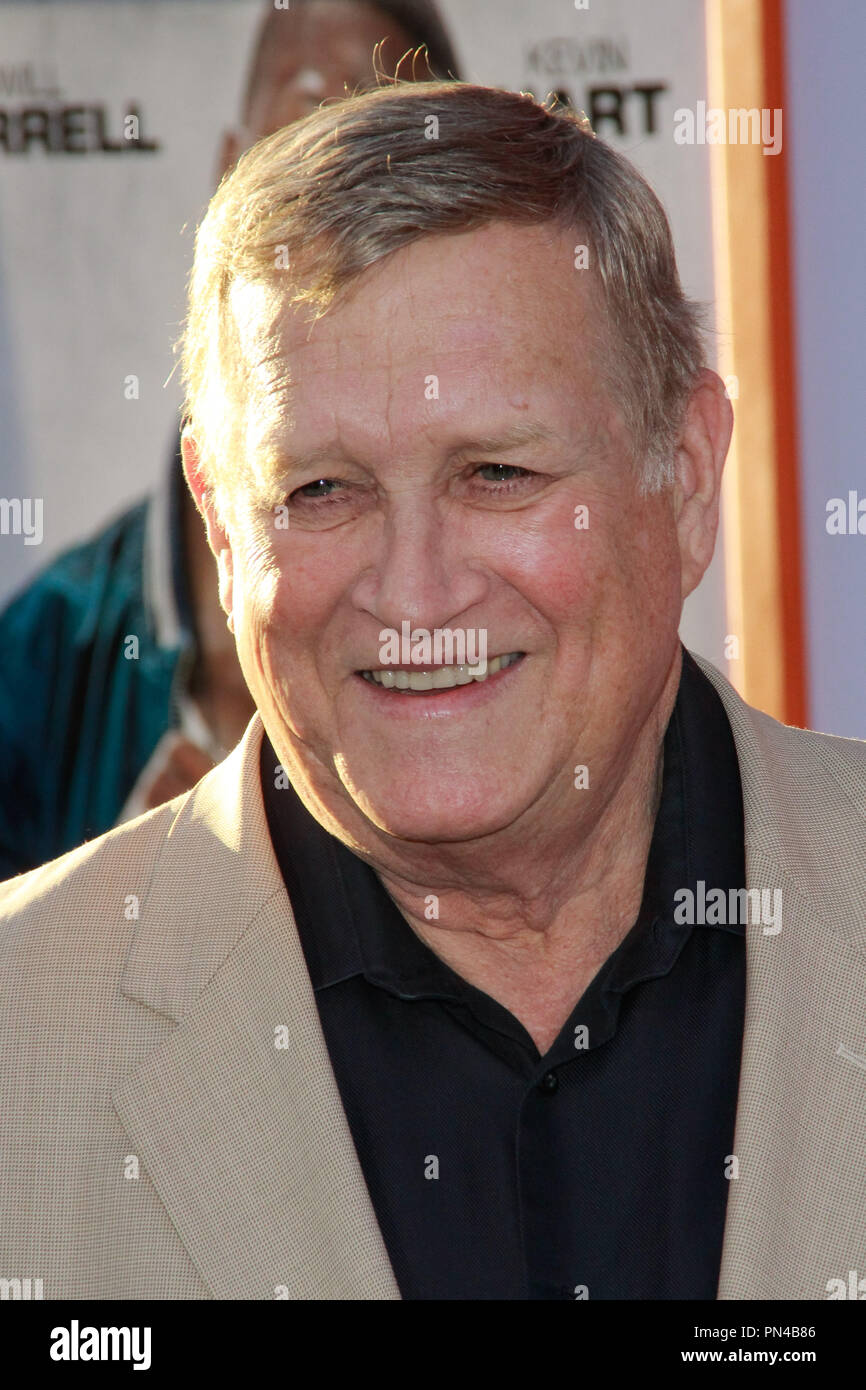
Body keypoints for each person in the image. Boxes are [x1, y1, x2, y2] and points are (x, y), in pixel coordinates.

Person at [2, 80, 864, 1302]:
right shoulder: (17, 1041)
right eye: (319, 491)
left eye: (496, 472)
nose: (410, 594)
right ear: (217, 521)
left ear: (680, 477)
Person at [0, 0, 461, 879]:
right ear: (225, 180)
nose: (349, 202)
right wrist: (102, 904)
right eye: (307, 127)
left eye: (397, 157)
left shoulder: (508, 605)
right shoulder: (45, 655)